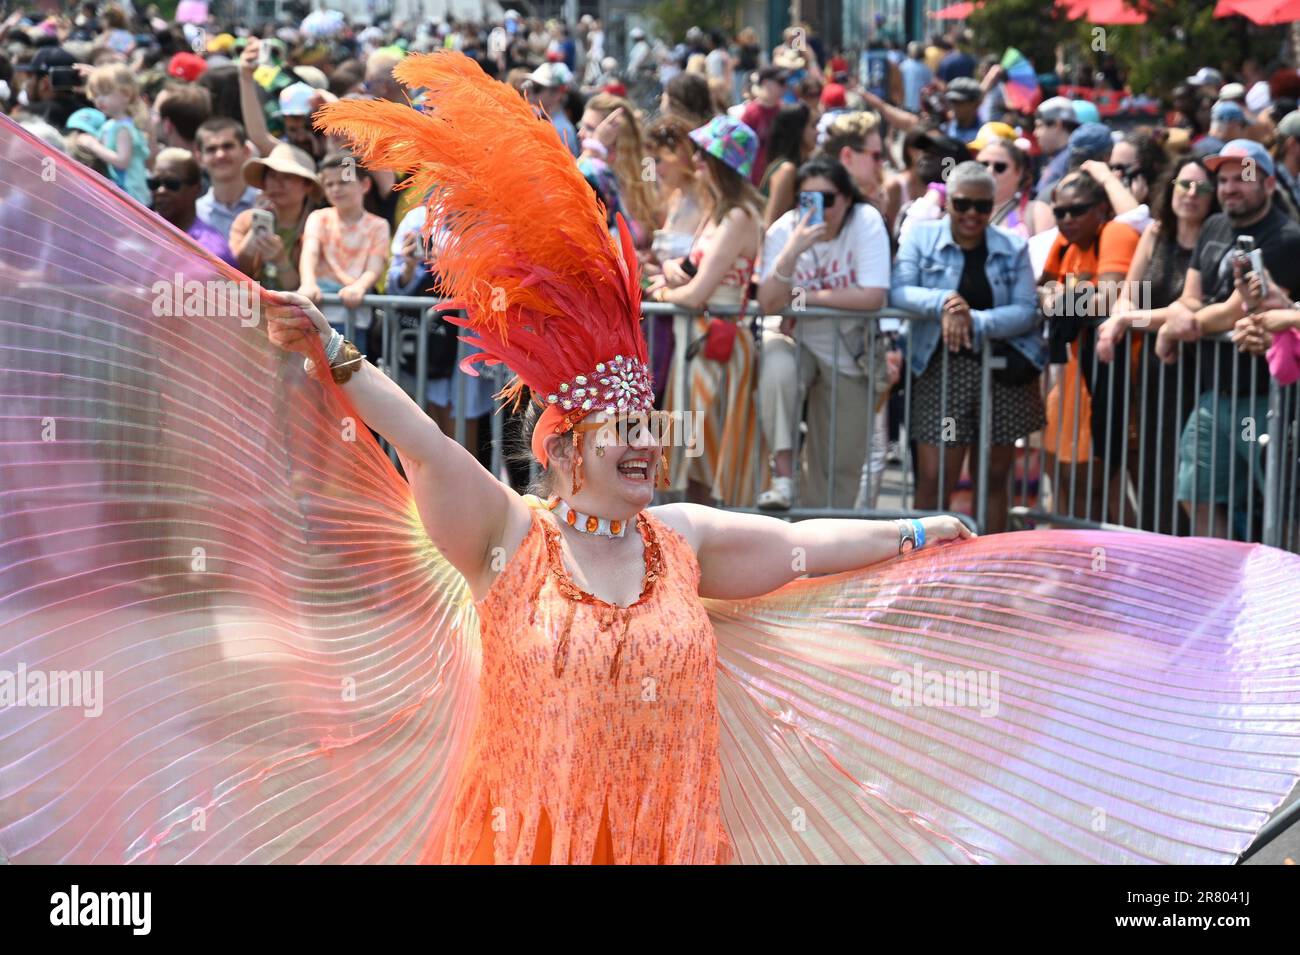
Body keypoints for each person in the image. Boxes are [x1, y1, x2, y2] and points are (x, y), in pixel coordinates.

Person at [306, 60, 971, 863]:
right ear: (561, 447)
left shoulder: (681, 537)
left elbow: (811, 546)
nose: (647, 442)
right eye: (623, 427)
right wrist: (328, 344)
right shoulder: (509, 535)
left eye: (648, 424)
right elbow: (423, 440)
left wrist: (918, 530)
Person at [1154, 139, 1300, 539]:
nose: (1230, 188)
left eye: (1243, 178)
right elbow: (1190, 297)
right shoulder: (1215, 226)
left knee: (1285, 510)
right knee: (1196, 496)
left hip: (1268, 401)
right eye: (1224, 180)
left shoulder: (1286, 237)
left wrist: (1180, 325)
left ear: (1269, 185)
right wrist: (1179, 318)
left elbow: (1238, 309)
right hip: (1214, 394)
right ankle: (1223, 590)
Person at [891, 161, 1045, 534]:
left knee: (994, 478)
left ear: (993, 206)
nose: (972, 214)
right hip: (941, 371)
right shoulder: (920, 236)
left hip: (1002, 374)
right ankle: (919, 567)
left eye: (982, 206)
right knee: (935, 478)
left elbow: (1026, 309)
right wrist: (945, 301)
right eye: (962, 204)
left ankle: (985, 565)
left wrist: (973, 319)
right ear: (948, 204)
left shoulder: (1012, 246)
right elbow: (899, 290)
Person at [755, 158, 892, 512]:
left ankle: (821, 554)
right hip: (796, 343)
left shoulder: (865, 222)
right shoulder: (784, 231)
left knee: (837, 471)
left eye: (827, 199)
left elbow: (872, 295)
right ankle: (783, 477)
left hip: (849, 353)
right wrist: (792, 252)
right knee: (776, 367)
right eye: (806, 199)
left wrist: (802, 302)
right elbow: (769, 303)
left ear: (846, 198)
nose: (818, 209)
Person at [647, 115, 765, 506]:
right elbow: (692, 275)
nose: (695, 158)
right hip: (700, 343)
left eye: (703, 152)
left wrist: (663, 293)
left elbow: (696, 292)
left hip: (719, 345)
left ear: (719, 161)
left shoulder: (738, 216)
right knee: (694, 459)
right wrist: (670, 277)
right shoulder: (720, 211)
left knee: (713, 464)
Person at [1096, 158, 1219, 535]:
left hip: (1202, 371)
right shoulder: (1155, 233)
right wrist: (1126, 316)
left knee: (1192, 470)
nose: (1191, 195)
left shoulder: (1217, 239)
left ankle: (1193, 563)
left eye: (1201, 188)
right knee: (1153, 463)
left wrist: (1129, 321)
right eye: (1184, 185)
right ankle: (1158, 557)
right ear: (1171, 189)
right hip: (1155, 374)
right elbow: (1125, 299)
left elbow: (1191, 307)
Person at [1039, 170, 1142, 522]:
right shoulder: (1064, 242)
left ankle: (1115, 568)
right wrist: (1069, 296)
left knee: (1101, 484)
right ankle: (1081, 565)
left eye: (1077, 210)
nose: (1067, 219)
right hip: (1072, 380)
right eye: (1060, 212)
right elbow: (1041, 291)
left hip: (1117, 380)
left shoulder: (1114, 232)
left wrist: (1064, 299)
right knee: (1065, 477)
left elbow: (1111, 298)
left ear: (1101, 209)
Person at [298, 151, 392, 357]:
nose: (335, 189)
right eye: (329, 184)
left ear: (365, 185)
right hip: (317, 312)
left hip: (354, 316)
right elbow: (310, 253)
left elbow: (375, 266)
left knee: (349, 379)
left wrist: (360, 286)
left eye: (343, 182)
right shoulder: (318, 217)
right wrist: (308, 283)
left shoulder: (378, 225)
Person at [229, 142, 320, 292]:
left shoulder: (317, 226)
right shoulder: (245, 220)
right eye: (271, 176)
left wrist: (281, 260)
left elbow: (307, 292)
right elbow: (232, 274)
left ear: (307, 185)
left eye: (287, 177)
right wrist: (255, 231)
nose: (277, 183)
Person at [150, 147, 236, 268]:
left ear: (196, 189)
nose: (161, 190)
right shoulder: (141, 232)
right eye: (154, 183)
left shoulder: (211, 253)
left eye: (171, 183)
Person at [79, 63, 150, 206]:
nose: (99, 100)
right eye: (96, 95)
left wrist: (92, 145)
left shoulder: (123, 128)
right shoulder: (110, 125)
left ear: (126, 94)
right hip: (121, 191)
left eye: (105, 94)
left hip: (132, 194)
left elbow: (122, 161)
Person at [974, 130, 1048, 238]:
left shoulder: (1037, 212)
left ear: (1019, 172)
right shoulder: (961, 209)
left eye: (999, 167)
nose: (989, 171)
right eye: (983, 165)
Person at [194, 118, 258, 242]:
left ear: (246, 151)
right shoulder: (196, 214)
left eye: (227, 146)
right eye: (211, 149)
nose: (220, 155)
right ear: (199, 158)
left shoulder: (266, 204)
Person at [759, 103, 815, 228]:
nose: (817, 131)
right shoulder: (787, 170)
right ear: (798, 130)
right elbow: (771, 224)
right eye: (812, 126)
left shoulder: (804, 165)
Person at [740, 66, 787, 187]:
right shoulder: (750, 113)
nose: (785, 87)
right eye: (781, 82)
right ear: (766, 83)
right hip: (757, 178)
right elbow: (741, 146)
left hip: (781, 175)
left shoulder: (785, 110)